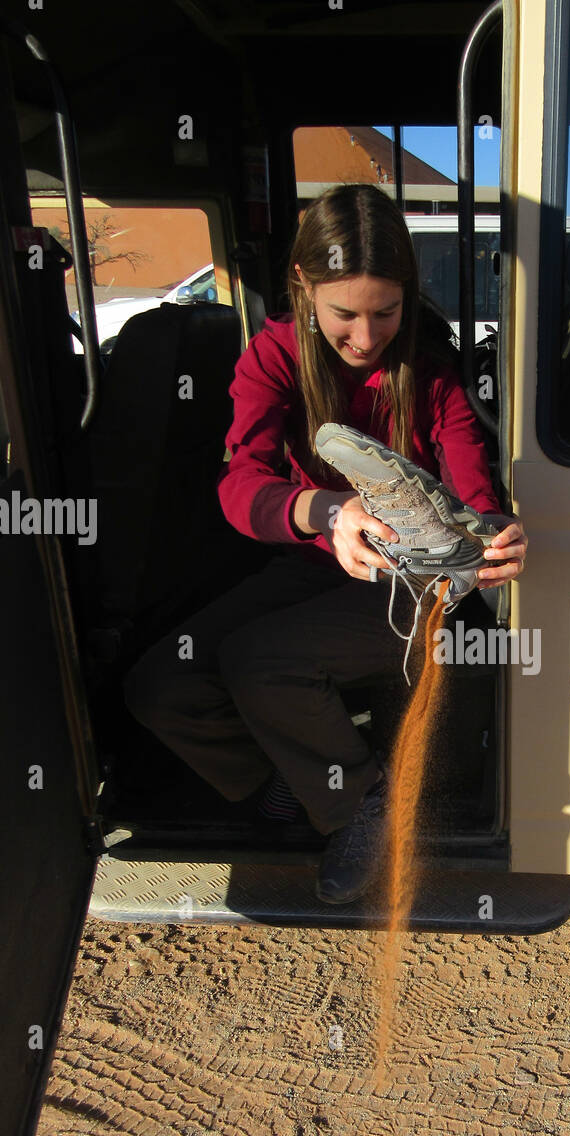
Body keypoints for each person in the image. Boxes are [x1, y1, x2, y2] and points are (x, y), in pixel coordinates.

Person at [124, 183, 527, 903]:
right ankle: (303, 772)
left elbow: (472, 492)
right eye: (344, 314)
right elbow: (239, 487)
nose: (367, 337)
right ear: (303, 286)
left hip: (411, 586)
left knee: (258, 659)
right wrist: (325, 511)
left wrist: (491, 538)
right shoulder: (272, 357)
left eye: (386, 312)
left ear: (410, 297)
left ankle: (360, 806)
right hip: (315, 561)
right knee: (162, 687)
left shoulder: (430, 370)